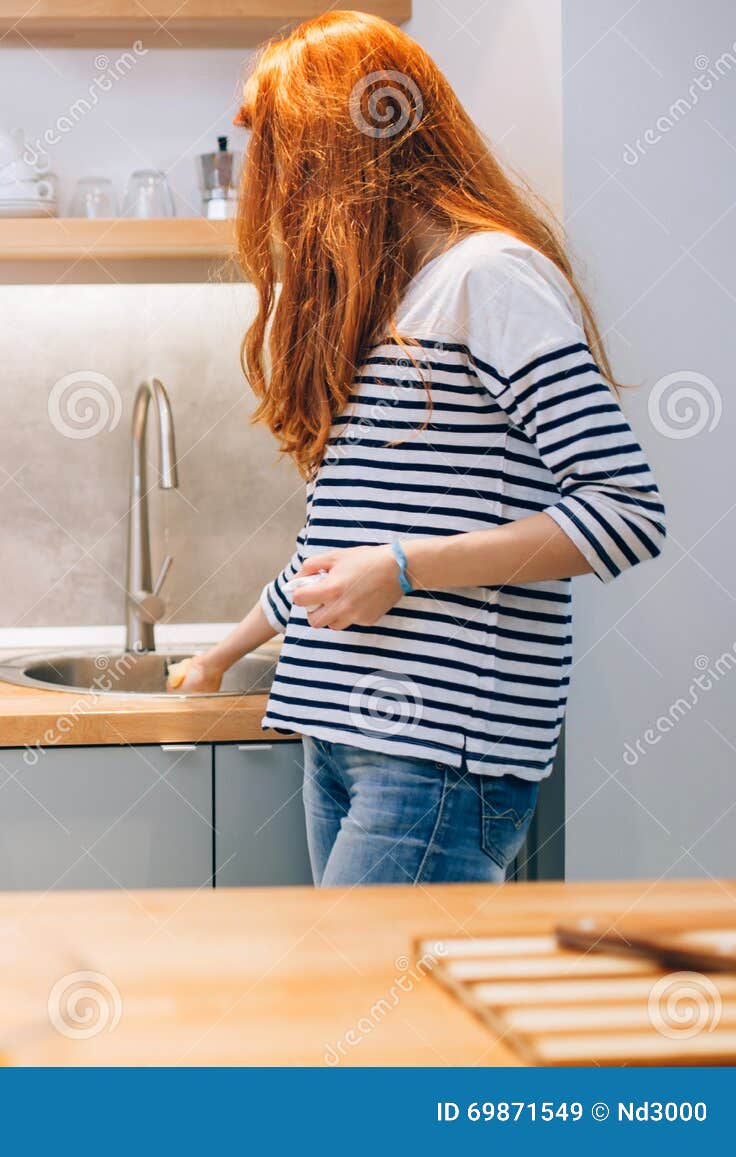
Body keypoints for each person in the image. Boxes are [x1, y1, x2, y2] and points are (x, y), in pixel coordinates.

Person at [174, 11, 667, 885]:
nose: (271, 182)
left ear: (349, 148)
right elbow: (340, 555)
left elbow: (624, 515)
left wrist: (402, 571)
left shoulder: (491, 279)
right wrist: (223, 652)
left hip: (437, 751)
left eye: (286, 151)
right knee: (356, 1003)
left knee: (373, 1008)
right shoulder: (390, 306)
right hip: (339, 732)